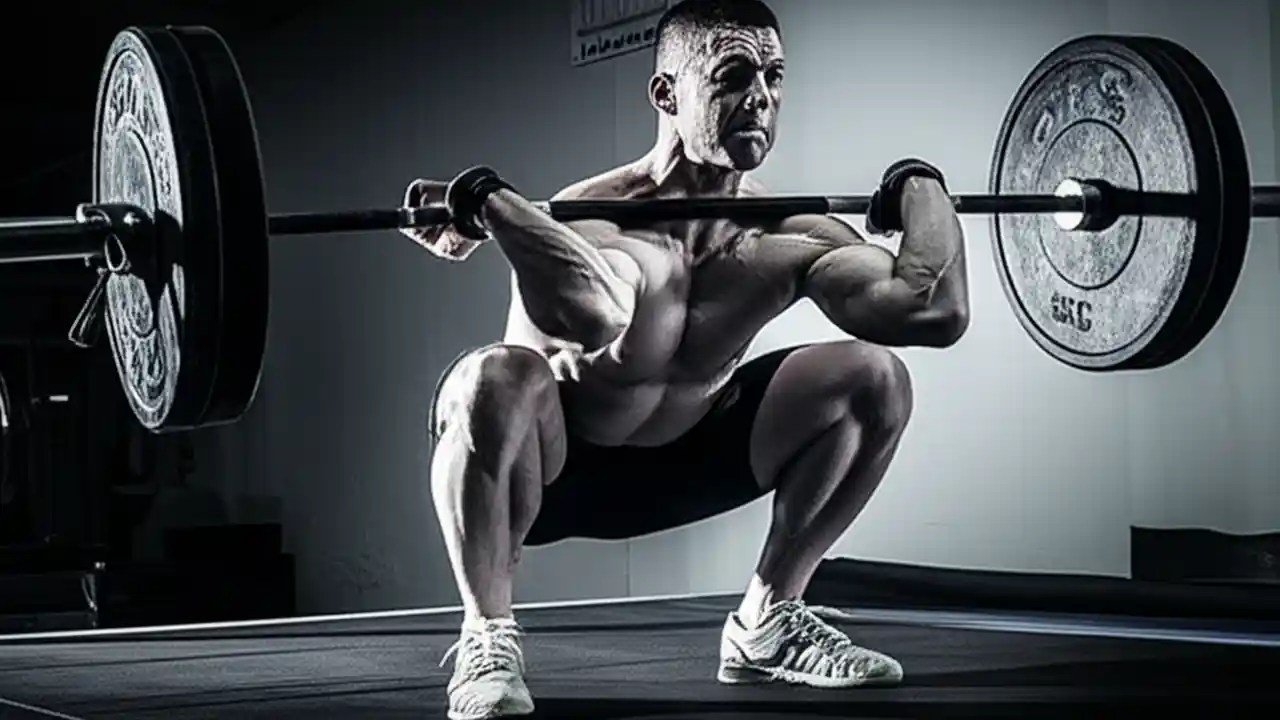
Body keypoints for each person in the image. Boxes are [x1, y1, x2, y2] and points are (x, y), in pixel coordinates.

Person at [401, 1, 969, 717]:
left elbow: (931, 310)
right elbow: (593, 314)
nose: (759, 96)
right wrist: (493, 204)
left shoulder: (788, 231)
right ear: (666, 94)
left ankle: (768, 620)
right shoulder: (595, 213)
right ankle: (487, 636)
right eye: (733, 76)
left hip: (690, 461)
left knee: (875, 378)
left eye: (774, 76)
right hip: (550, 475)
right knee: (491, 376)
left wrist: (921, 186)